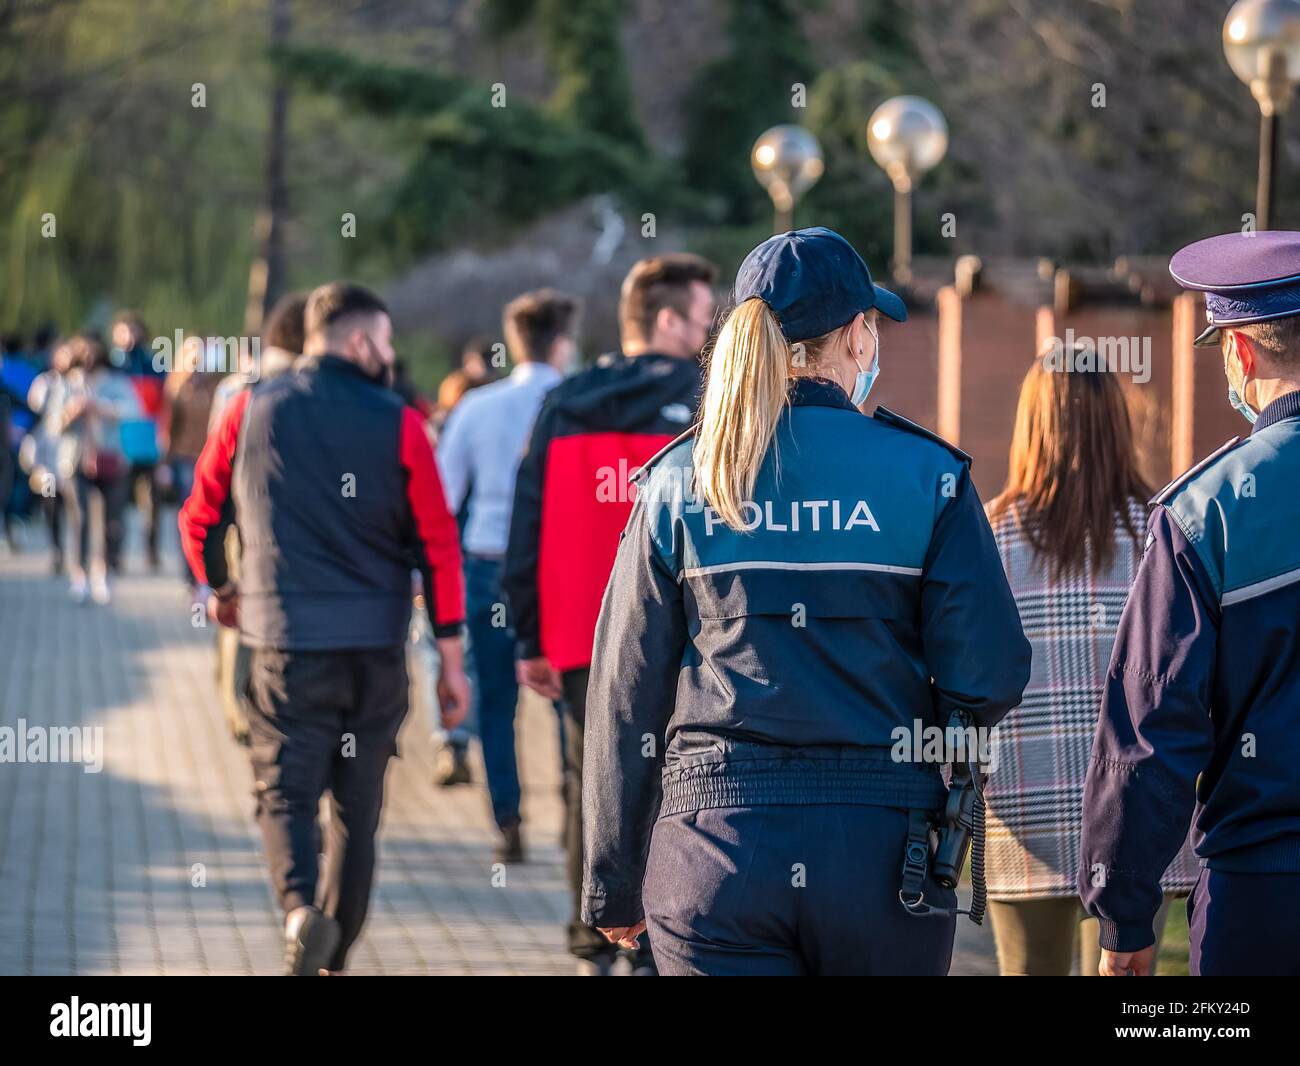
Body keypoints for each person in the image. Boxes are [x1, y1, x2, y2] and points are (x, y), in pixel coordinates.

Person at [579, 228, 1031, 976]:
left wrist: (612, 882)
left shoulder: (677, 482)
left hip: (713, 850)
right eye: (873, 327)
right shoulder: (929, 477)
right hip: (886, 859)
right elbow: (989, 676)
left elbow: (625, 695)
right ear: (857, 336)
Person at [179, 281, 470, 975]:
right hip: (375, 652)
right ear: (361, 342)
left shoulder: (249, 407)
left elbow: (199, 515)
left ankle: (300, 911)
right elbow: (438, 546)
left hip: (282, 644)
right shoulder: (401, 422)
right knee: (356, 813)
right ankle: (335, 952)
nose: (391, 355)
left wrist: (222, 590)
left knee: (284, 793)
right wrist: (452, 663)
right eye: (387, 342)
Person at [1081, 230, 1300, 977]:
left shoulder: (1204, 513)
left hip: (1265, 893)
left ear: (1240, 352)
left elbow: (1152, 731)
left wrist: (1125, 916)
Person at [503, 253, 718, 975]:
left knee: (586, 782)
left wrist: (527, 632)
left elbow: (525, 520)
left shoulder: (567, 400)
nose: (711, 332)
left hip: (579, 633)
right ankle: (660, 940)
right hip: (688, 635)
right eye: (703, 317)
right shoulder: (711, 399)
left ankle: (592, 935)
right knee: (677, 787)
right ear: (666, 320)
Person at [983, 351, 1198, 976]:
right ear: (1117, 425)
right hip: (1135, 812)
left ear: (1032, 427)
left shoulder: (988, 535)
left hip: (1025, 807)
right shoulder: (1163, 535)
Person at [435, 290, 579, 844]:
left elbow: (446, 499)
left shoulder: (476, 407)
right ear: (562, 343)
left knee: (496, 697)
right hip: (561, 570)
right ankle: (576, 814)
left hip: (489, 563)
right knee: (574, 696)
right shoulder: (576, 403)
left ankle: (508, 816)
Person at [53, 332, 140, 604]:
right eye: (83, 351)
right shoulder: (68, 383)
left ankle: (103, 571)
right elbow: (52, 424)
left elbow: (133, 410)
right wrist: (71, 411)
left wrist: (100, 408)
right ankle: (79, 575)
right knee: (79, 519)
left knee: (111, 520)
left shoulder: (115, 381)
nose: (89, 357)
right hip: (76, 459)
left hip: (111, 457)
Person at [112, 313, 166, 572]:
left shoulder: (155, 364)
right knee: (118, 504)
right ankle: (115, 554)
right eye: (124, 332)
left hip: (150, 446)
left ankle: (151, 552)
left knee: (152, 506)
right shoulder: (112, 367)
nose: (129, 338)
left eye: (133, 332)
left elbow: (165, 405)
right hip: (120, 447)